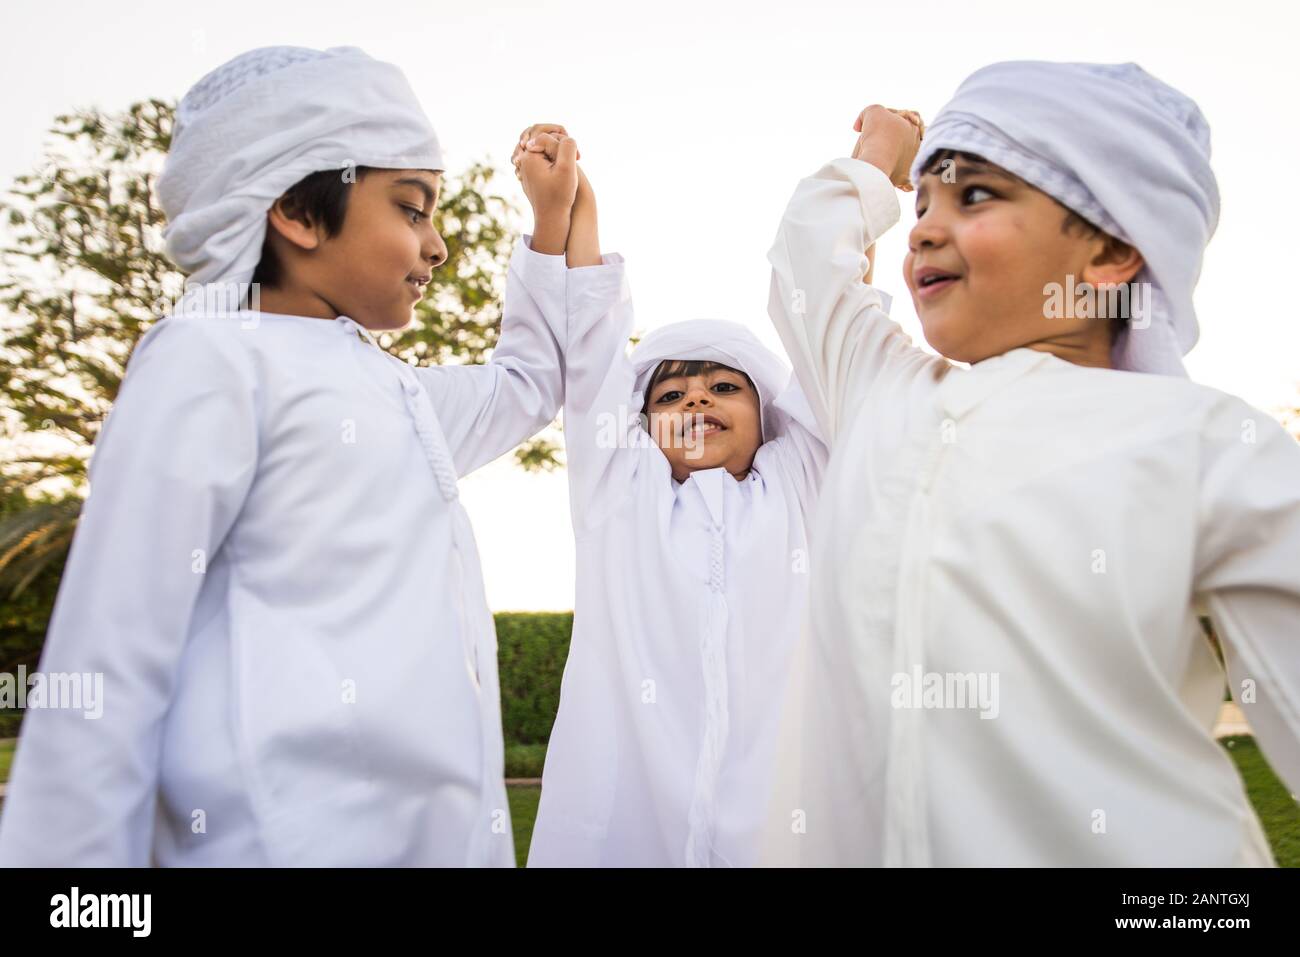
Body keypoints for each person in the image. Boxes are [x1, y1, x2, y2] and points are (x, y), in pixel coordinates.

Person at [0, 45, 577, 866]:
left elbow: (528, 384)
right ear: (300, 213)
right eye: (412, 209)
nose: (438, 246)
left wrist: (550, 227)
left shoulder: (401, 394)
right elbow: (110, 660)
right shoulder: (208, 360)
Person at [763, 63, 1300, 866]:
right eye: (922, 202)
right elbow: (808, 266)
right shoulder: (882, 391)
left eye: (976, 194)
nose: (922, 230)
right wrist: (877, 160)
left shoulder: (1205, 441)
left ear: (1115, 250)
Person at [513, 127, 829, 867]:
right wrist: (572, 211)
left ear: (768, 411)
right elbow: (592, 356)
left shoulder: (800, 483)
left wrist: (870, 176)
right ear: (641, 421)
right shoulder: (618, 488)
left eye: (724, 386)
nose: (697, 399)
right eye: (672, 391)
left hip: (780, 823)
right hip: (626, 818)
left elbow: (829, 338)